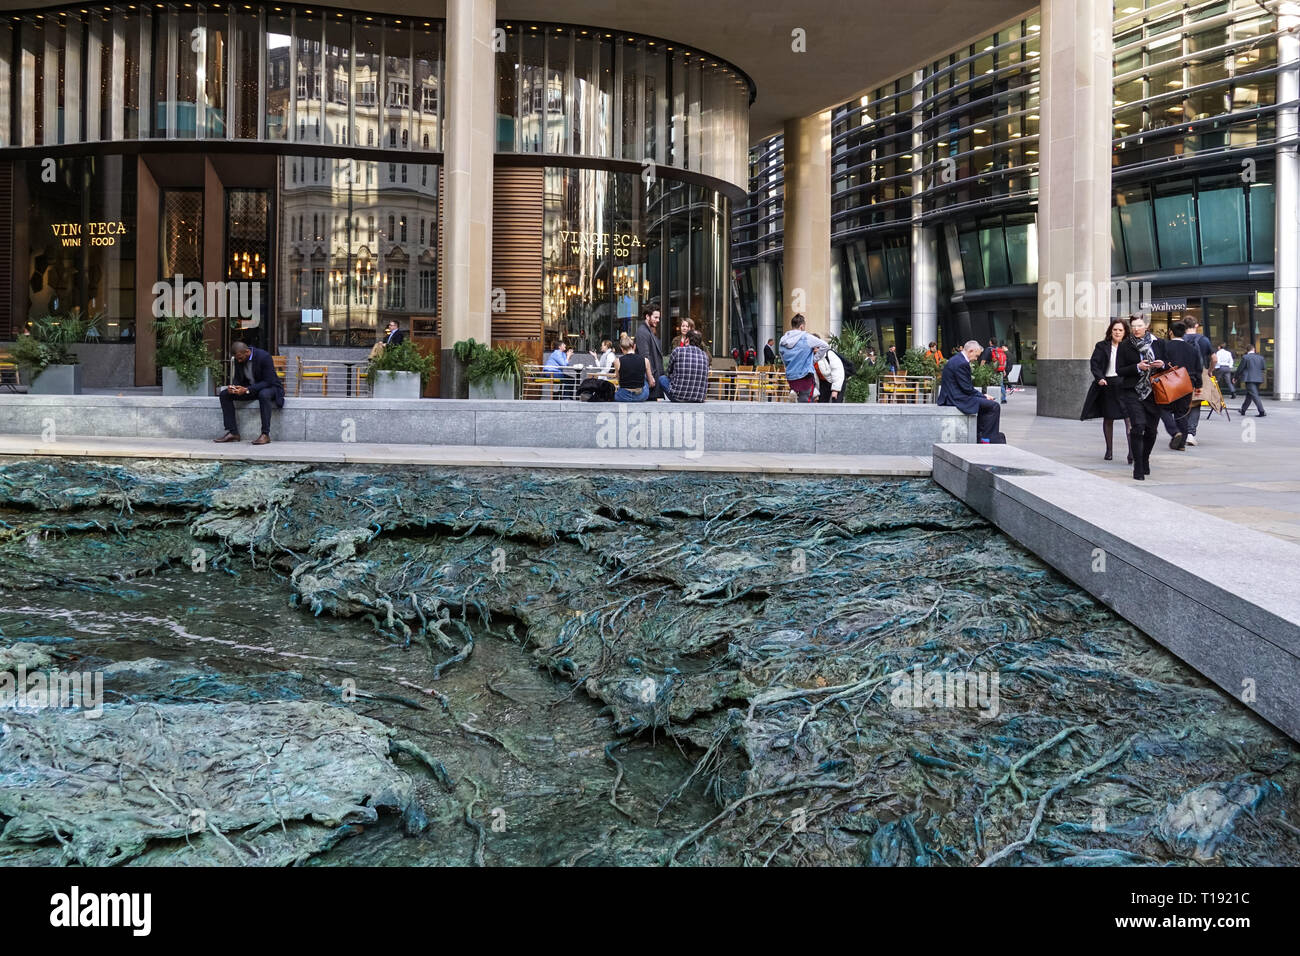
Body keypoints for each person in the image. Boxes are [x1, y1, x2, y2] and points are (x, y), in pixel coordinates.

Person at [1114, 315, 1165, 480]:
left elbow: (1169, 363)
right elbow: (1120, 370)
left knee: (1151, 431)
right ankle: (1138, 466)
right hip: (1132, 390)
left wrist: (1161, 364)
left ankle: (1145, 458)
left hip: (1154, 391)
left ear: (1147, 326)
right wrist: (1137, 367)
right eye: (1133, 326)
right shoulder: (1125, 346)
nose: (1136, 329)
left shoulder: (1158, 343)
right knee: (1138, 426)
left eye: (1139, 325)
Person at [1080, 318, 1132, 463]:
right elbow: (1094, 364)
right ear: (1110, 331)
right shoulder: (1102, 346)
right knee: (1108, 419)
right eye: (1115, 329)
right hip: (1107, 385)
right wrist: (1099, 378)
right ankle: (1109, 450)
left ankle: (1131, 452)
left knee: (1129, 419)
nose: (1117, 332)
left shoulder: (1129, 347)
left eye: (1120, 330)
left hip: (1124, 385)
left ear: (1125, 332)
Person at [214, 341, 285, 446]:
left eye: (240, 358)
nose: (238, 360)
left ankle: (265, 434)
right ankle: (233, 433)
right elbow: (238, 379)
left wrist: (247, 390)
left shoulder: (264, 356)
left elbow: (268, 381)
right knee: (224, 394)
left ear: (247, 352)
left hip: (270, 387)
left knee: (263, 395)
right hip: (251, 388)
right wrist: (234, 387)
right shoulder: (239, 359)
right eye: (237, 358)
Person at [938, 341, 1002, 443]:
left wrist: (982, 396)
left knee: (986, 406)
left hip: (954, 395)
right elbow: (967, 388)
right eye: (976, 356)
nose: (976, 359)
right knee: (994, 406)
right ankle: (988, 439)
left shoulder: (957, 359)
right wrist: (983, 396)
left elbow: (965, 387)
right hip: (956, 398)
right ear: (971, 351)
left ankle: (982, 436)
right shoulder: (962, 363)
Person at [1157, 320, 1202, 451]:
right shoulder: (1192, 349)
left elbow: (1161, 364)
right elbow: (1198, 368)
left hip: (1169, 383)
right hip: (1188, 383)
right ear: (1184, 333)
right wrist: (1198, 385)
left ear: (1170, 332)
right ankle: (1181, 444)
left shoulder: (1165, 346)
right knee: (1181, 412)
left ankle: (1174, 432)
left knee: (1163, 408)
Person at [778, 314, 828, 403]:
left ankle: (793, 393)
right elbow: (825, 346)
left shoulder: (783, 340)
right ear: (801, 326)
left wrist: (788, 365)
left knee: (796, 399)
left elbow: (782, 355)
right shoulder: (806, 337)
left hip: (791, 375)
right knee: (806, 401)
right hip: (805, 374)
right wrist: (814, 359)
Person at [658, 329, 710, 403]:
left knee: (662, 379)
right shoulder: (705, 356)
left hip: (678, 396)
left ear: (687, 340)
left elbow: (669, 372)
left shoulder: (677, 351)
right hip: (698, 398)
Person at [635, 304, 664, 400]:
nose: (658, 320)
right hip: (650, 379)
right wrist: (650, 377)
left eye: (658, 318)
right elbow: (645, 356)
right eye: (655, 317)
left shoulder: (647, 331)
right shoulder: (642, 332)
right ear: (647, 316)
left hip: (653, 377)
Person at [613, 332, 653, 402]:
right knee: (645, 379)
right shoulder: (645, 360)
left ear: (621, 348)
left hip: (623, 396)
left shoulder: (617, 361)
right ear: (634, 346)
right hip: (641, 396)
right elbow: (651, 382)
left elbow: (619, 380)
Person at [1235, 345, 1266, 417]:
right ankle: (1243, 410)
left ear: (1247, 350)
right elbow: (1263, 367)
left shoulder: (1245, 357)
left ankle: (1262, 411)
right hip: (1258, 379)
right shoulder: (1261, 357)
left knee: (1254, 395)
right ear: (1254, 349)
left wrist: (1235, 377)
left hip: (1249, 379)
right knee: (1250, 395)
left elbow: (1240, 368)